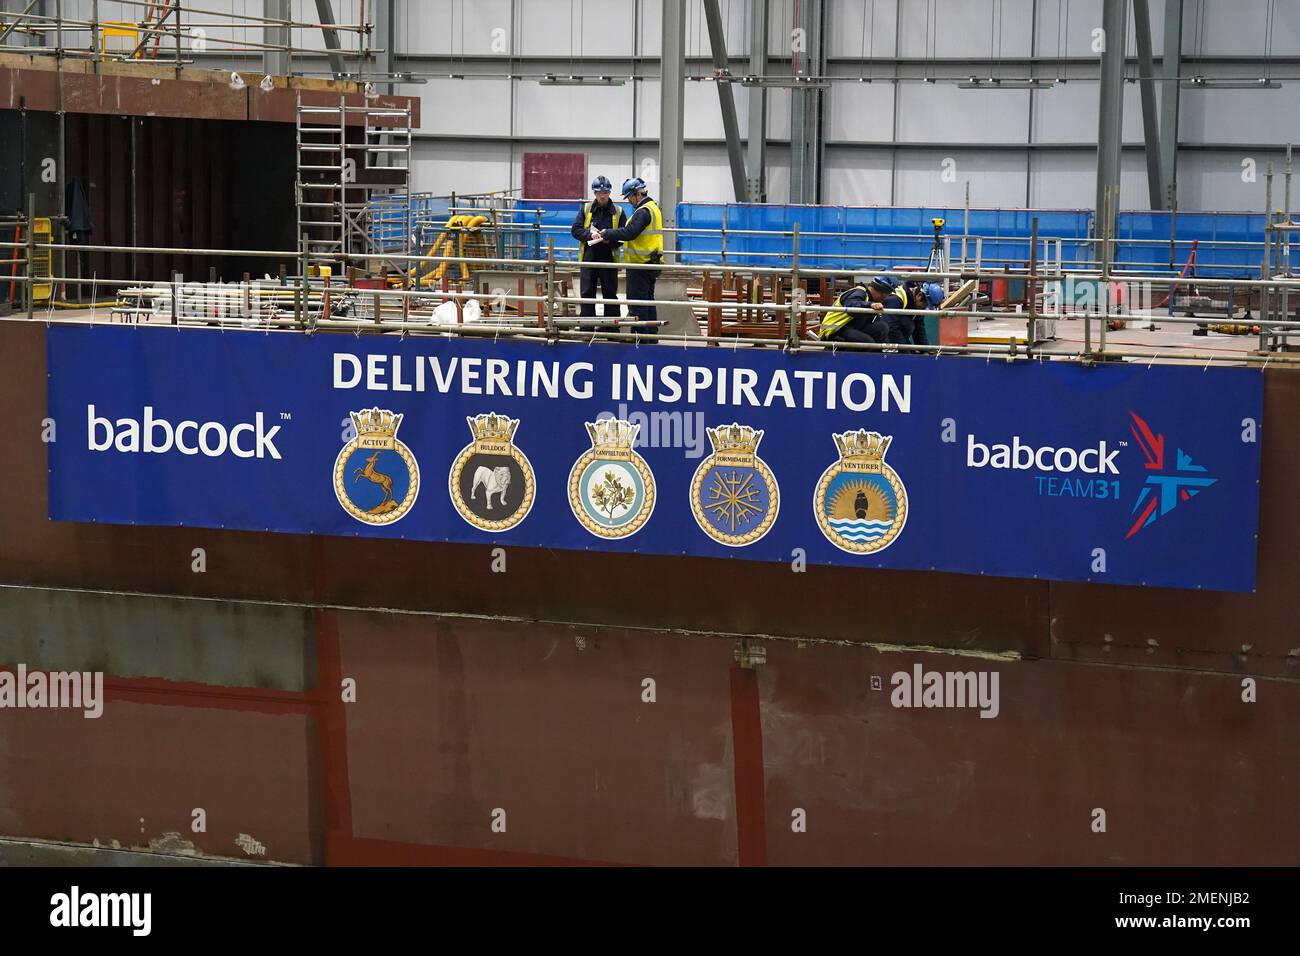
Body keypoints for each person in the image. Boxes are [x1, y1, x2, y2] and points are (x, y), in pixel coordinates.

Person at [592, 177, 662, 334]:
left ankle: (640, 337)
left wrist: (607, 233)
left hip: (640, 263)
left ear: (637, 194)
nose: (629, 201)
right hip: (650, 262)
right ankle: (650, 336)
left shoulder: (643, 212)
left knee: (638, 303)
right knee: (648, 301)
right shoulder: (653, 208)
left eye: (630, 197)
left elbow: (630, 232)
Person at [570, 176, 625, 330]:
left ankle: (611, 329)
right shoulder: (586, 209)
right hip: (589, 258)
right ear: (594, 193)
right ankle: (587, 328)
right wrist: (590, 235)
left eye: (605, 192)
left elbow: (624, 235)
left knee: (610, 294)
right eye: (599, 192)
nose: (602, 195)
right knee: (587, 294)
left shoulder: (619, 212)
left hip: (609, 259)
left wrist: (610, 239)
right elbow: (575, 230)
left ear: (609, 192)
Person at [815, 280, 889, 344]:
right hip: (832, 328)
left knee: (881, 327)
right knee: (866, 342)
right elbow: (851, 305)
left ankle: (876, 357)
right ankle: (847, 359)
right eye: (886, 295)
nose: (885, 298)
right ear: (880, 291)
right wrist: (870, 304)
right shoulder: (859, 292)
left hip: (848, 327)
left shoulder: (869, 298)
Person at [865, 274, 914, 343]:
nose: (885, 298)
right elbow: (891, 327)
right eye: (886, 294)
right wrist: (903, 350)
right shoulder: (894, 300)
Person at [899, 278, 945, 346]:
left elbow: (919, 331)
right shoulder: (899, 298)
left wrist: (925, 350)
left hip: (899, 341)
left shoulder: (916, 305)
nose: (924, 308)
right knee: (907, 324)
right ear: (919, 296)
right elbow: (892, 327)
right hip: (888, 339)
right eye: (925, 305)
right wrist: (904, 350)